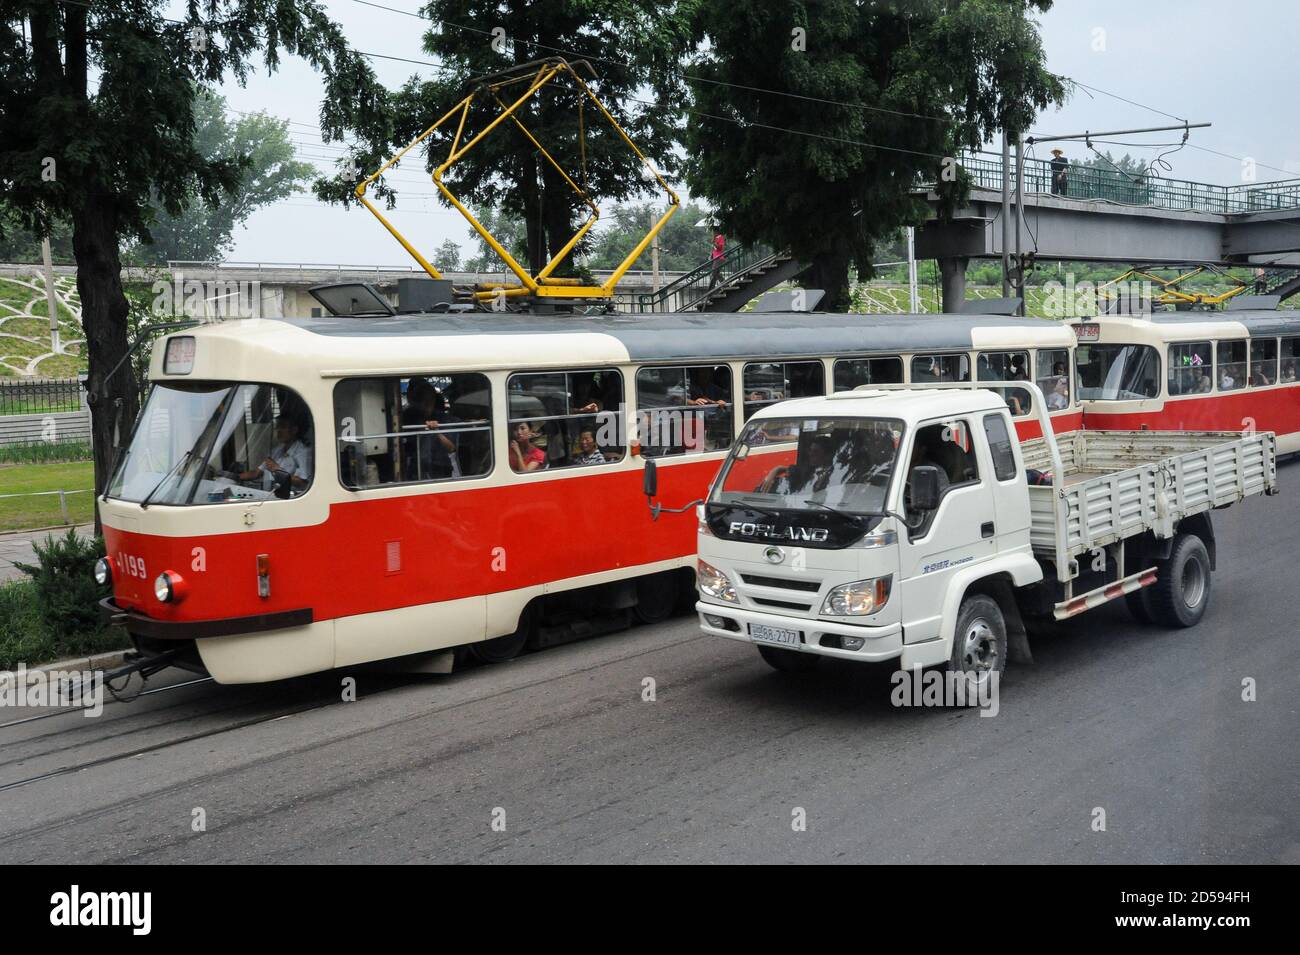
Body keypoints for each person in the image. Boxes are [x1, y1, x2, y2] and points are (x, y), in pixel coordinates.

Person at [226, 414, 312, 496]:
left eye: (282, 427)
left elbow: (302, 483)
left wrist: (278, 470)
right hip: (269, 495)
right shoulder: (276, 450)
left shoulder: (303, 452)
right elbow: (256, 473)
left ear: (294, 430)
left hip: (291, 498)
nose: (278, 430)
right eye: (277, 427)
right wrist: (233, 477)